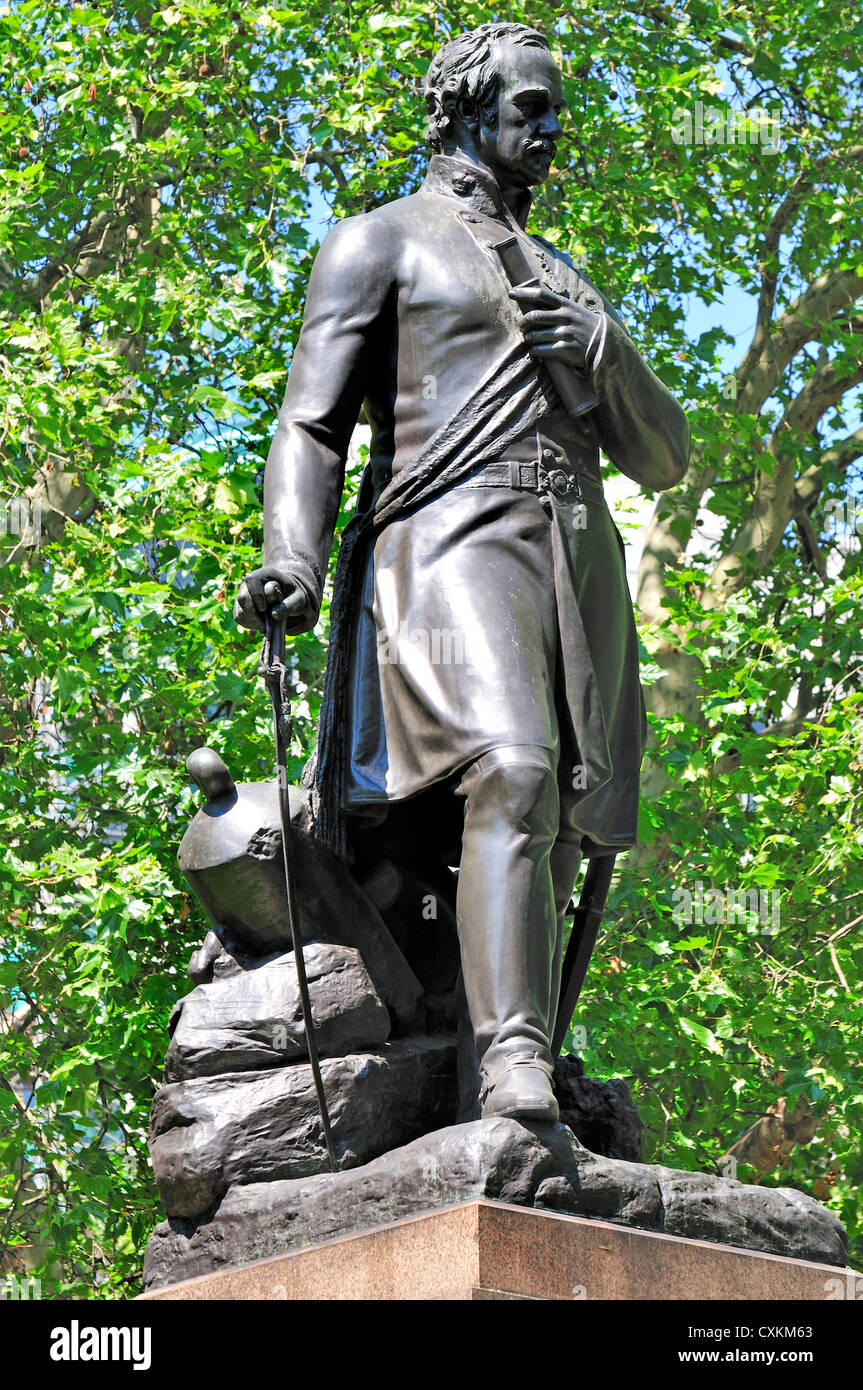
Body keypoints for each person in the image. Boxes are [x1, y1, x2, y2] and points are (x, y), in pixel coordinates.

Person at [235, 23, 689, 1123]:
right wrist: (288, 556)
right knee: (515, 766)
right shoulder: (378, 242)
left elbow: (664, 457)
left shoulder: (568, 284)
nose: (548, 129)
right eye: (527, 106)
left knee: (563, 815)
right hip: (444, 544)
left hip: (570, 555)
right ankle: (510, 1060)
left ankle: (500, 1047)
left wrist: (602, 346)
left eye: (553, 110)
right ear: (461, 110)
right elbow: (310, 422)